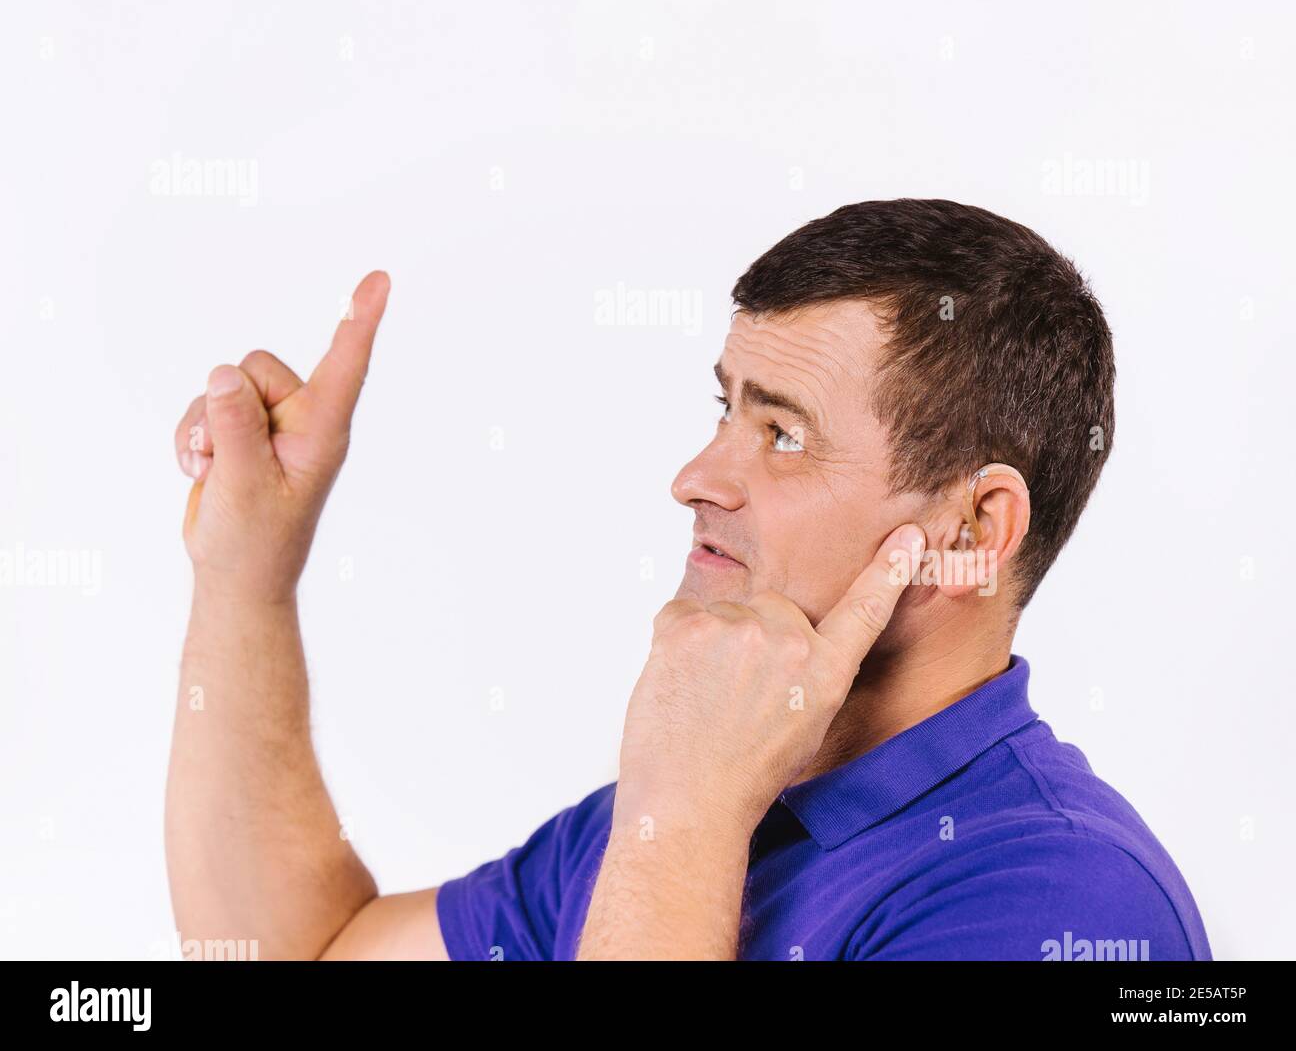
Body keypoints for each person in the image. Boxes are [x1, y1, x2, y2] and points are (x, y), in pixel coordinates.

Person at [165, 198, 1211, 961]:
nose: (697, 476)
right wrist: (246, 576)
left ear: (973, 528)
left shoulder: (1058, 896)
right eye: (725, 410)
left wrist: (690, 821)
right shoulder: (696, 809)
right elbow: (298, 954)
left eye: (784, 433)